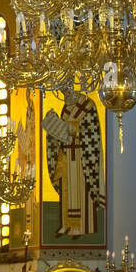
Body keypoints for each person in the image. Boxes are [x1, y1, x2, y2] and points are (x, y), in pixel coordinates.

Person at [43, 88, 104, 237]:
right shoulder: (66, 107)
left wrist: (72, 130)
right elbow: (62, 131)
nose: (65, 96)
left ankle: (83, 226)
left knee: (81, 191)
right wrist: (53, 124)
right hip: (66, 155)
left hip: (82, 157)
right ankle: (67, 225)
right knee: (66, 191)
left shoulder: (88, 106)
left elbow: (92, 132)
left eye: (67, 92)